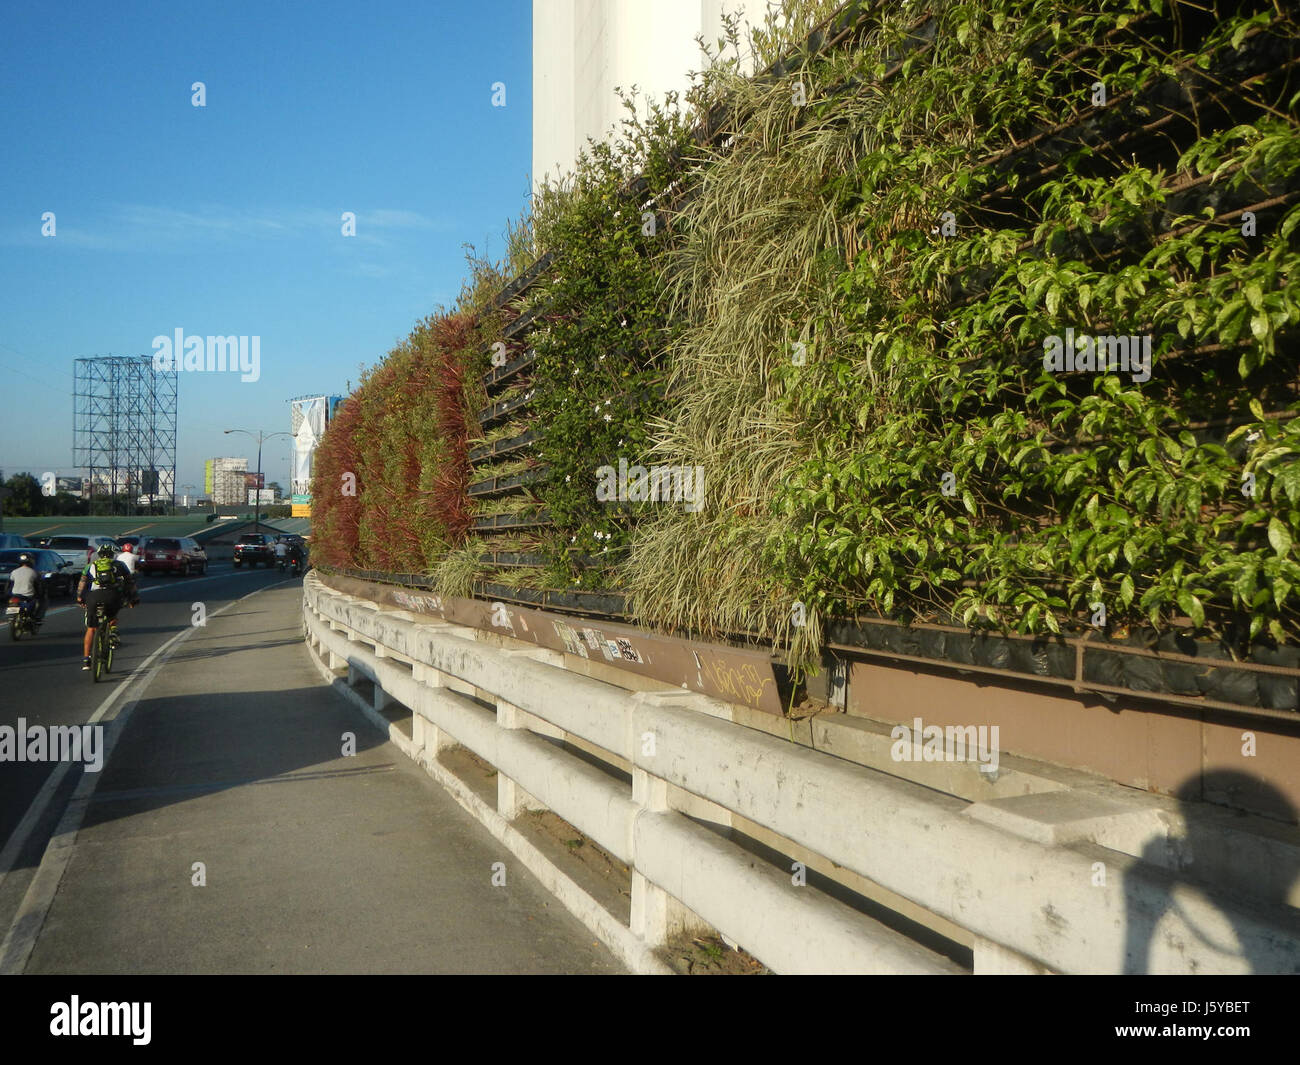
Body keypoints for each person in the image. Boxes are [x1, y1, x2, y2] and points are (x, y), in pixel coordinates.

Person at [77, 543, 138, 670]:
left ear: (98, 555)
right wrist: (133, 598)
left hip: (93, 597)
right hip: (112, 596)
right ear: (112, 554)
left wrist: (79, 598)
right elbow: (130, 582)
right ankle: (113, 632)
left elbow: (82, 583)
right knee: (112, 615)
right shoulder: (119, 565)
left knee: (91, 628)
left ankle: (86, 660)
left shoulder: (90, 566)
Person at [8, 553, 47, 626]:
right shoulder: (34, 572)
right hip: (28, 595)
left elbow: (10, 585)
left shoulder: (14, 572)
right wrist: (41, 594)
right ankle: (38, 618)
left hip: (14, 594)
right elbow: (39, 586)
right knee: (43, 601)